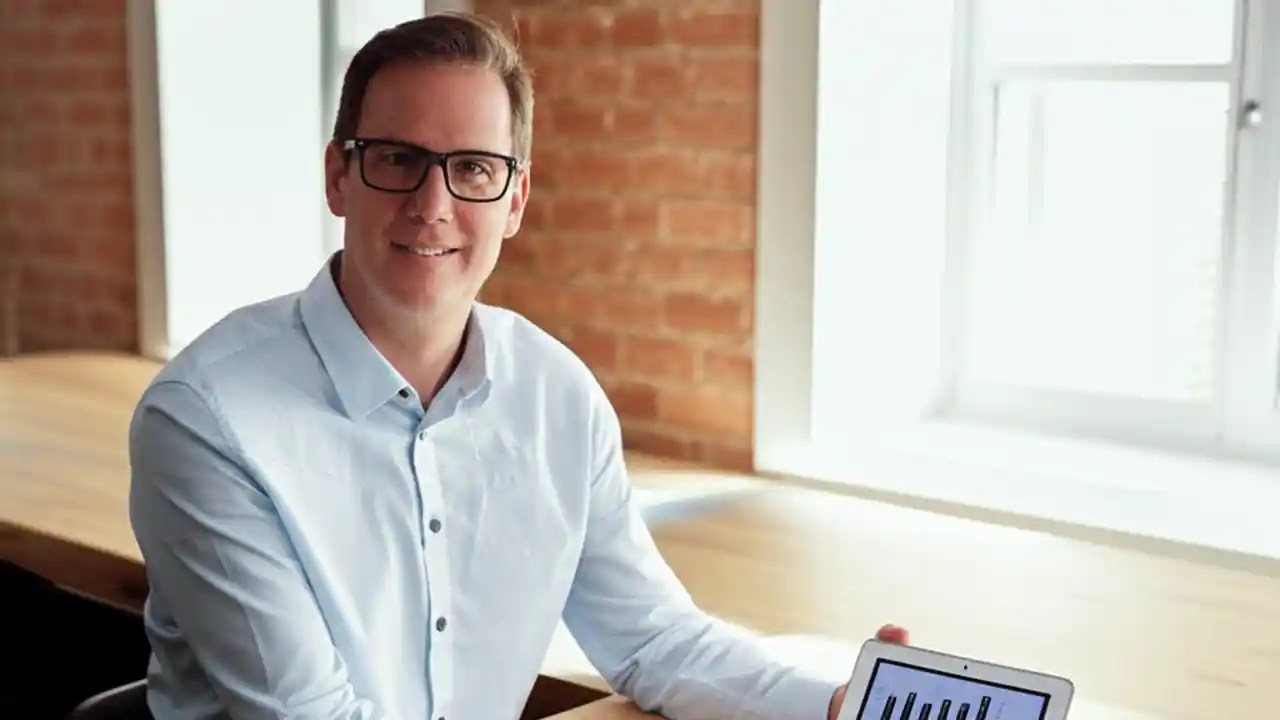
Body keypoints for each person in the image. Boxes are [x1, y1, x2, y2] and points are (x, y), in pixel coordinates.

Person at [128, 11, 907, 720]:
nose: (432, 204)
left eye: (473, 169)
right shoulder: (208, 418)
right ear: (338, 176)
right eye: (398, 159)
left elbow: (653, 638)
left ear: (516, 199)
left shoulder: (555, 396)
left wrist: (831, 705)